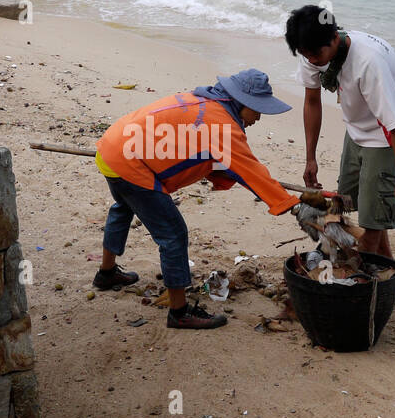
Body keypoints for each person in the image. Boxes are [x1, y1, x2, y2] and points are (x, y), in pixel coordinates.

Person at [94, 69, 301, 330]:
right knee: (173, 234)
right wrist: (290, 205)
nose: (259, 117)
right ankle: (179, 313)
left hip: (112, 148)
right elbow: (249, 170)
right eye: (257, 109)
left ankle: (106, 273)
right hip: (130, 164)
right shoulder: (222, 124)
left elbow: (213, 156)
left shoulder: (203, 101)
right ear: (241, 102)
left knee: (123, 207)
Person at [285, 4, 395, 258]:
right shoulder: (313, 52)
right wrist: (310, 158)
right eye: (306, 54)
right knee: (356, 204)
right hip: (357, 127)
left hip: (385, 134)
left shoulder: (368, 64)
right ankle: (386, 260)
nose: (312, 60)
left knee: (371, 226)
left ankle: (365, 281)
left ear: (335, 38)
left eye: (315, 54)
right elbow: (312, 102)